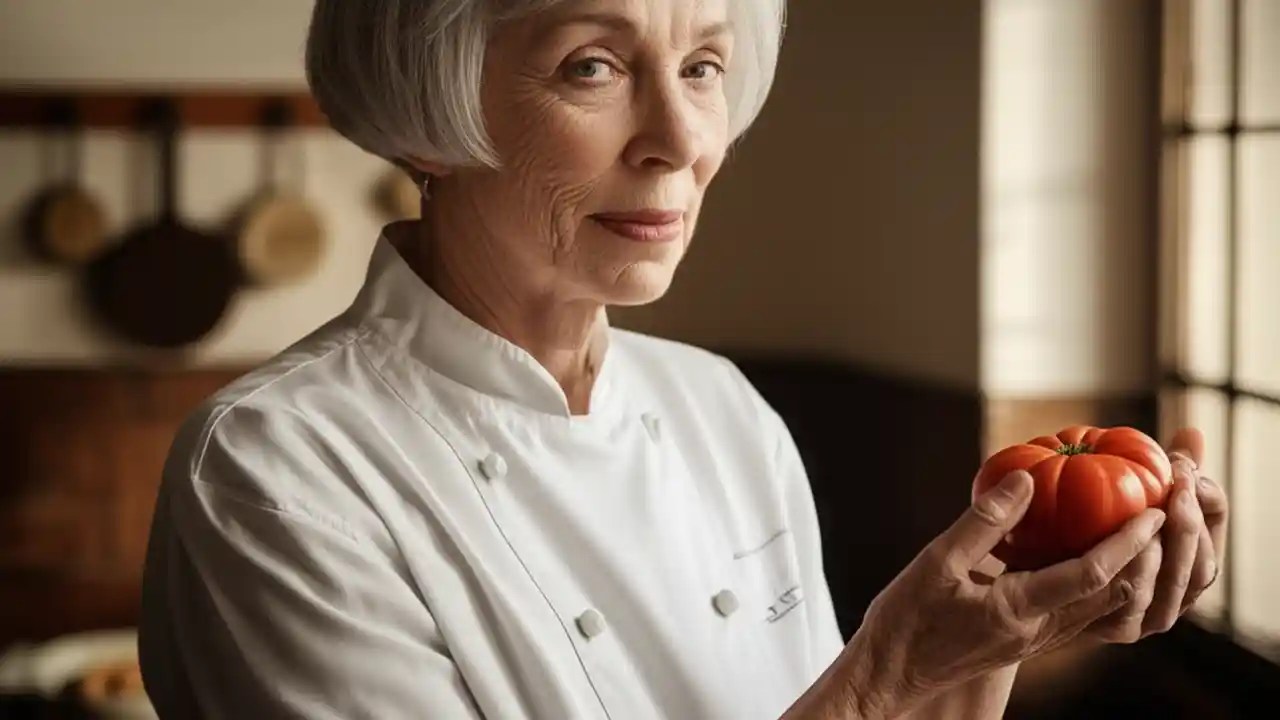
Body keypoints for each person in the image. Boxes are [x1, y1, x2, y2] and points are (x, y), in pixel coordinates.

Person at [137, 0, 1229, 717]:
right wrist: (887, 671)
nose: (678, 138)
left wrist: (987, 637)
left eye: (703, 64)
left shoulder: (723, 412)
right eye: (592, 65)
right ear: (426, 115)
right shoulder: (274, 474)